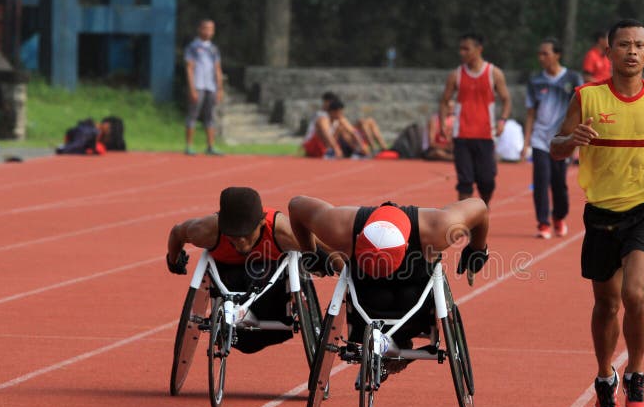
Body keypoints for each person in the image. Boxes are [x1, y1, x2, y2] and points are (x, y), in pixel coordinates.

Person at [550, 19, 644, 407]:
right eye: (623, 44)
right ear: (608, 52)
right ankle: (605, 376)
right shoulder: (587, 97)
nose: (631, 51)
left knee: (635, 294)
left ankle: (637, 374)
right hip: (601, 214)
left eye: (638, 45)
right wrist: (570, 141)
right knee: (606, 304)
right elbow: (555, 147)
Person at [288, 195, 489, 376]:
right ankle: (396, 344)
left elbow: (296, 206)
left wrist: (310, 253)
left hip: (375, 302)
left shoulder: (339, 227)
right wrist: (477, 250)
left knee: (388, 294)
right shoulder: (439, 227)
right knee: (393, 294)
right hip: (399, 304)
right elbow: (479, 207)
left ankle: (393, 343)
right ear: (358, 239)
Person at [166, 187, 330, 353]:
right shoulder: (206, 229)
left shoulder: (282, 231)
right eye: (234, 236)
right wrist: (173, 261)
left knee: (260, 270)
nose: (241, 243)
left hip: (272, 291)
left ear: (262, 223)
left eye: (246, 234)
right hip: (229, 281)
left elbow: (324, 243)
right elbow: (177, 233)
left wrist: (324, 260)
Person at [440, 32, 512, 206]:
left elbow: (506, 100)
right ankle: (463, 222)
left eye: (466, 49)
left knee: (487, 181)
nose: (462, 53)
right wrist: (443, 122)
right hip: (462, 135)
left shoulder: (493, 73)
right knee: (464, 183)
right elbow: (444, 100)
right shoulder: (455, 75)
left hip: (485, 135)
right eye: (460, 49)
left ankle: (482, 210)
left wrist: (502, 120)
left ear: (479, 49)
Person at [522, 37, 583, 239]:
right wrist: (526, 141)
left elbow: (581, 110)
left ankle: (558, 216)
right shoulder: (535, 81)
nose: (541, 57)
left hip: (563, 140)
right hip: (540, 139)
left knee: (559, 184)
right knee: (541, 181)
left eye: (545, 53)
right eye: (539, 54)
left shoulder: (573, 79)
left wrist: (577, 140)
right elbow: (531, 112)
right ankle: (543, 223)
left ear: (557, 55)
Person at [184, 19, 224, 156]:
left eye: (211, 29)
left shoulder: (214, 49)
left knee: (210, 116)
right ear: (200, 29)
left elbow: (217, 69)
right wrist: (192, 88)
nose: (208, 32)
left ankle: (210, 146)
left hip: (210, 86)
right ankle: (189, 145)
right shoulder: (193, 47)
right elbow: (189, 68)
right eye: (206, 28)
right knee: (193, 115)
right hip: (198, 85)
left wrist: (219, 89)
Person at [303, 92, 344, 158]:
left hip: (326, 142)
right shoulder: (321, 116)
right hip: (313, 142)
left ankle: (358, 150)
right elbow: (325, 132)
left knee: (341, 128)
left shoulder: (337, 119)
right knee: (323, 127)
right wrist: (336, 148)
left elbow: (351, 130)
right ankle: (328, 151)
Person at [56, 116, 126, 155]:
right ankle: (67, 148)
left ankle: (67, 148)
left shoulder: (97, 138)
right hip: (79, 136)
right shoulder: (89, 130)